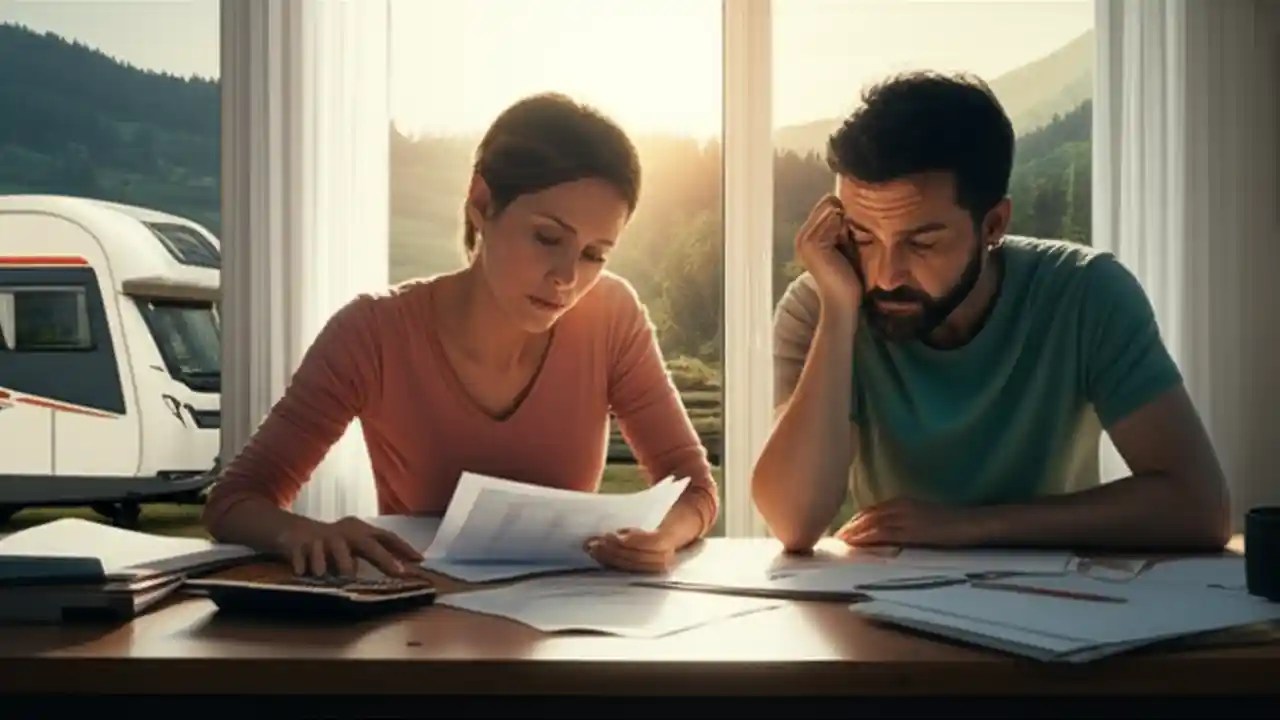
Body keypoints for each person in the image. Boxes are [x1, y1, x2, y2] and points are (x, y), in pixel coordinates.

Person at [204, 93, 719, 577]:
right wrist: (301, 534)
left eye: (594, 255)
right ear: (481, 201)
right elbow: (235, 501)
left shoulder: (612, 315)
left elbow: (693, 486)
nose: (567, 277)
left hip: (562, 635)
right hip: (422, 628)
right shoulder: (373, 332)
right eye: (547, 237)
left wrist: (663, 537)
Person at [753, 71, 1230, 554]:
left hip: (1056, 602)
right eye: (862, 238)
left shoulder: (1087, 294)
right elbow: (793, 521)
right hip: (885, 604)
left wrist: (968, 526)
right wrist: (839, 314)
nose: (885, 275)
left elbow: (1199, 505)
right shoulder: (820, 304)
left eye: (922, 242)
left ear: (994, 224)